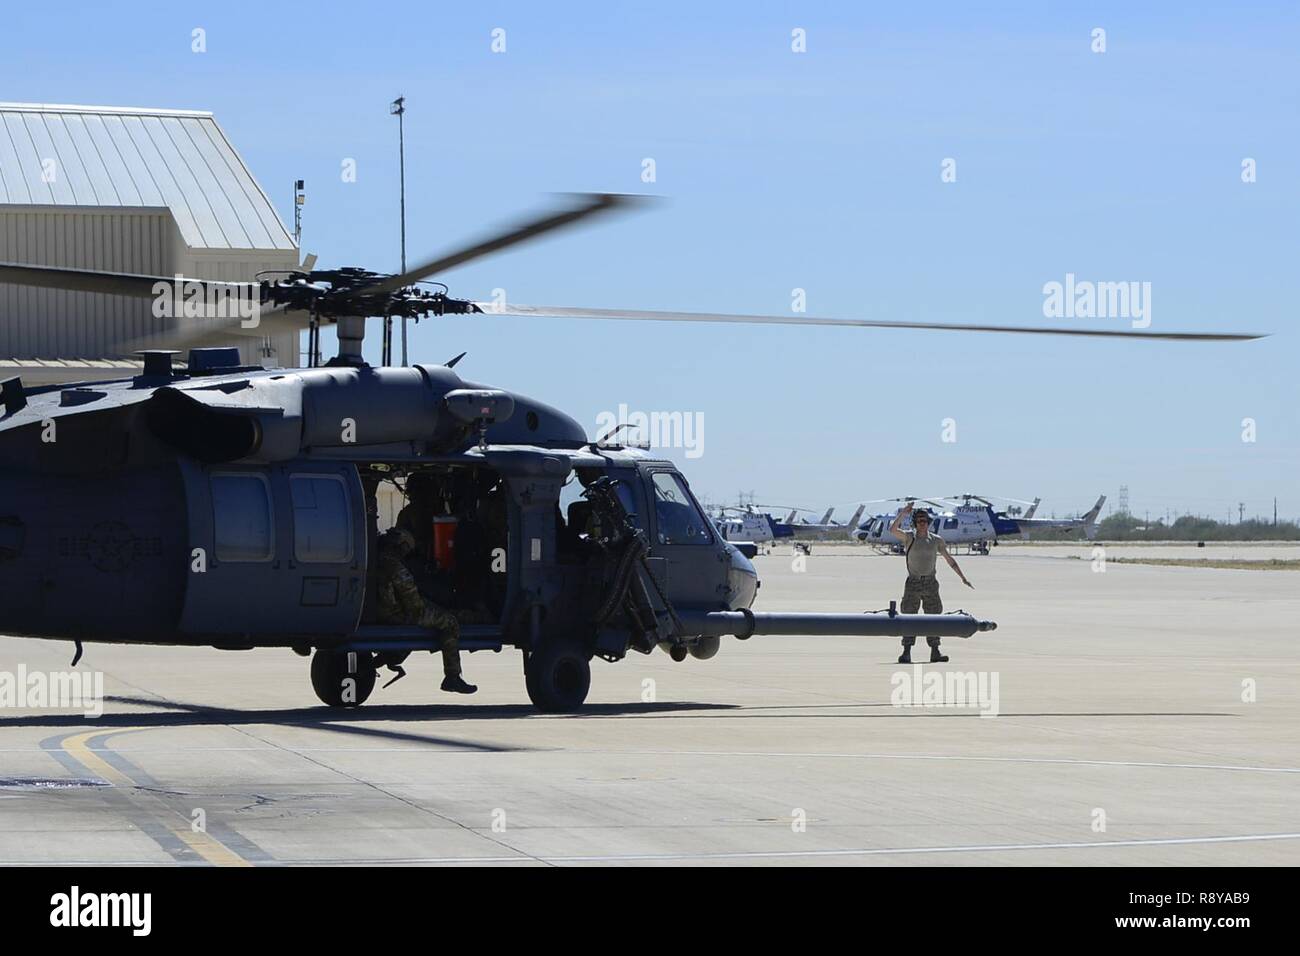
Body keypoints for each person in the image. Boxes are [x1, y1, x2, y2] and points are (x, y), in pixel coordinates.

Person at [375, 528, 476, 694]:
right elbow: (415, 607)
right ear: (401, 546)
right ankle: (452, 676)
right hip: (395, 615)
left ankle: (388, 657)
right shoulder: (395, 566)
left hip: (382, 611)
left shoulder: (376, 557)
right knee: (450, 622)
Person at [889, 503, 973, 664]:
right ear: (915, 523)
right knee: (908, 617)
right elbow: (893, 530)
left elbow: (949, 560)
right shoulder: (909, 537)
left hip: (930, 583)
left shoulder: (936, 540)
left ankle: (935, 651)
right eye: (919, 520)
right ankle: (906, 651)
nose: (922, 523)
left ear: (929, 522)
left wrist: (962, 577)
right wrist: (903, 514)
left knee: (934, 617)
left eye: (925, 520)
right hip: (913, 582)